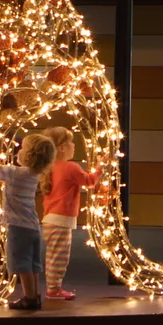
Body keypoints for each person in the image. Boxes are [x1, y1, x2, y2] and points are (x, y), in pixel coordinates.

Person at [0, 132, 56, 311]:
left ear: (29, 155)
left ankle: (29, 298)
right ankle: (34, 295)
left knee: (22, 264)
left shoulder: (16, 173)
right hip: (32, 226)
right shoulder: (33, 174)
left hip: (18, 227)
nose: (18, 151)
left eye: (22, 148)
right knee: (32, 263)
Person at [40, 125, 94, 300]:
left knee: (52, 256)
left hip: (49, 219)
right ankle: (54, 289)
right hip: (61, 220)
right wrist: (100, 167)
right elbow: (89, 181)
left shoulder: (49, 167)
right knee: (60, 258)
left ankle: (53, 287)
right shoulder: (70, 167)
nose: (74, 145)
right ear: (62, 147)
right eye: (70, 142)